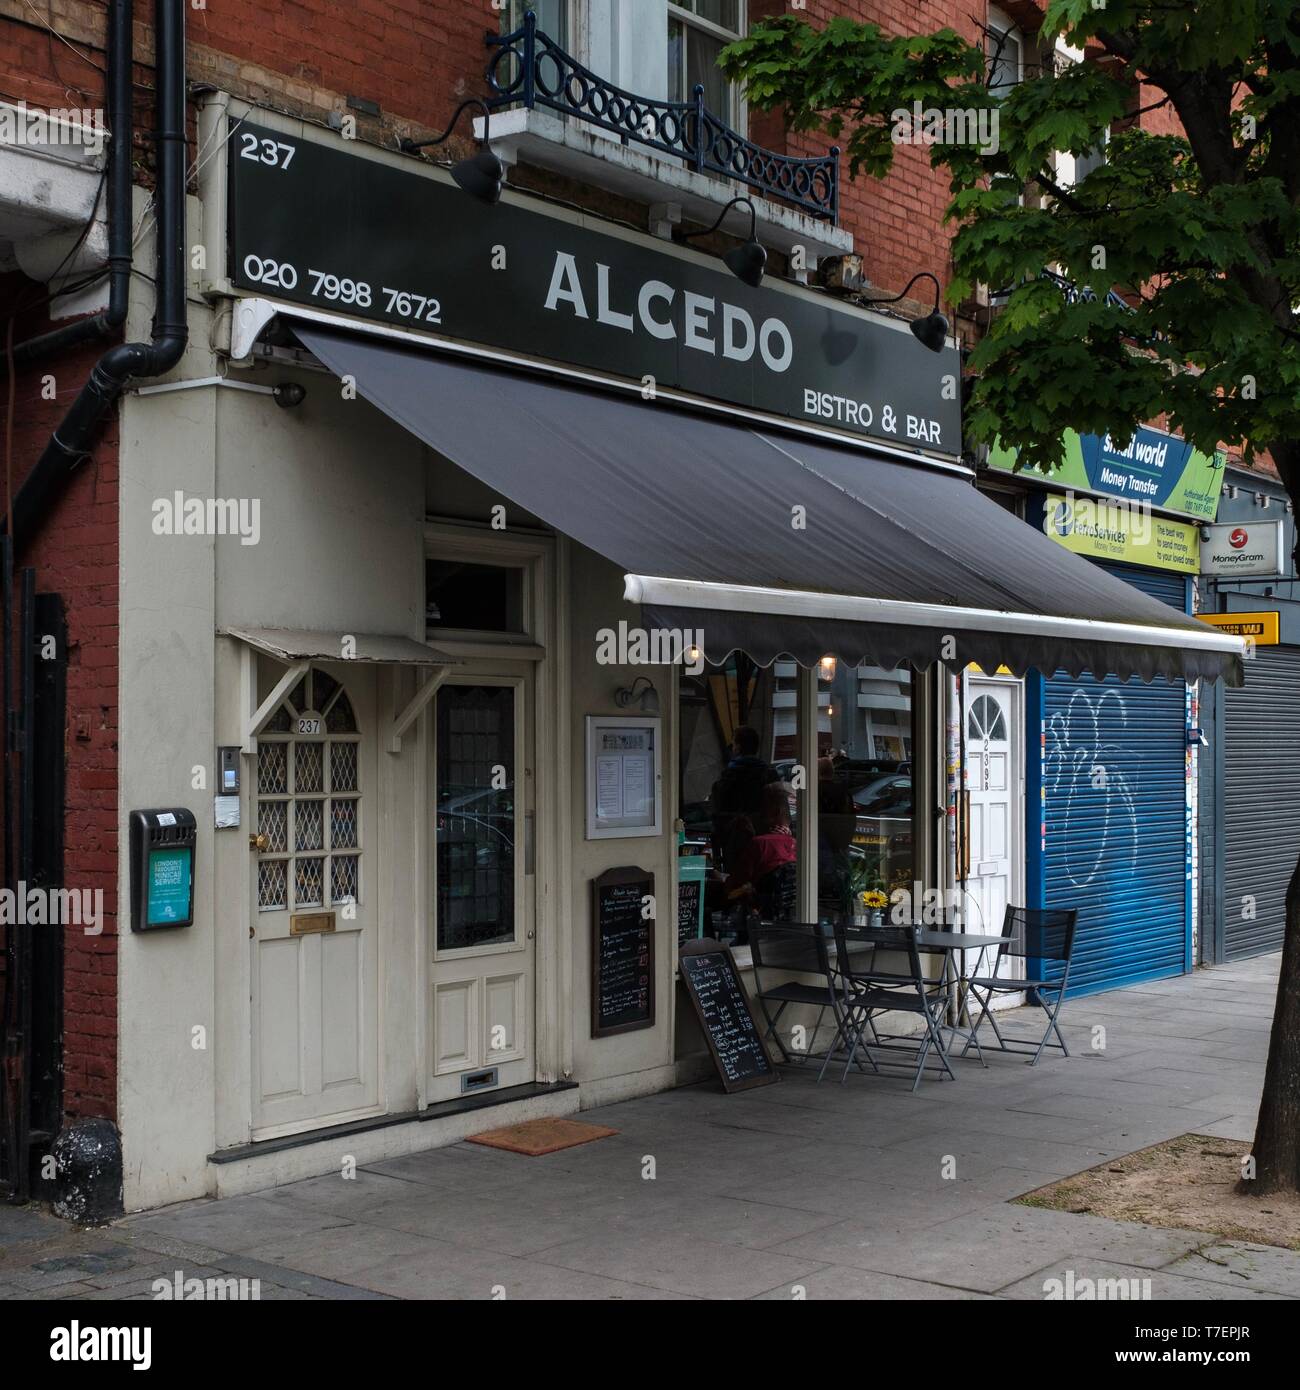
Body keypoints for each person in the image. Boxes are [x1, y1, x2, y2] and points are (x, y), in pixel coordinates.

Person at [709, 724, 780, 874]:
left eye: (734, 743)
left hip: (736, 848)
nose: (732, 747)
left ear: (739, 747)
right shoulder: (769, 775)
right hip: (766, 847)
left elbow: (718, 814)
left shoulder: (729, 777)